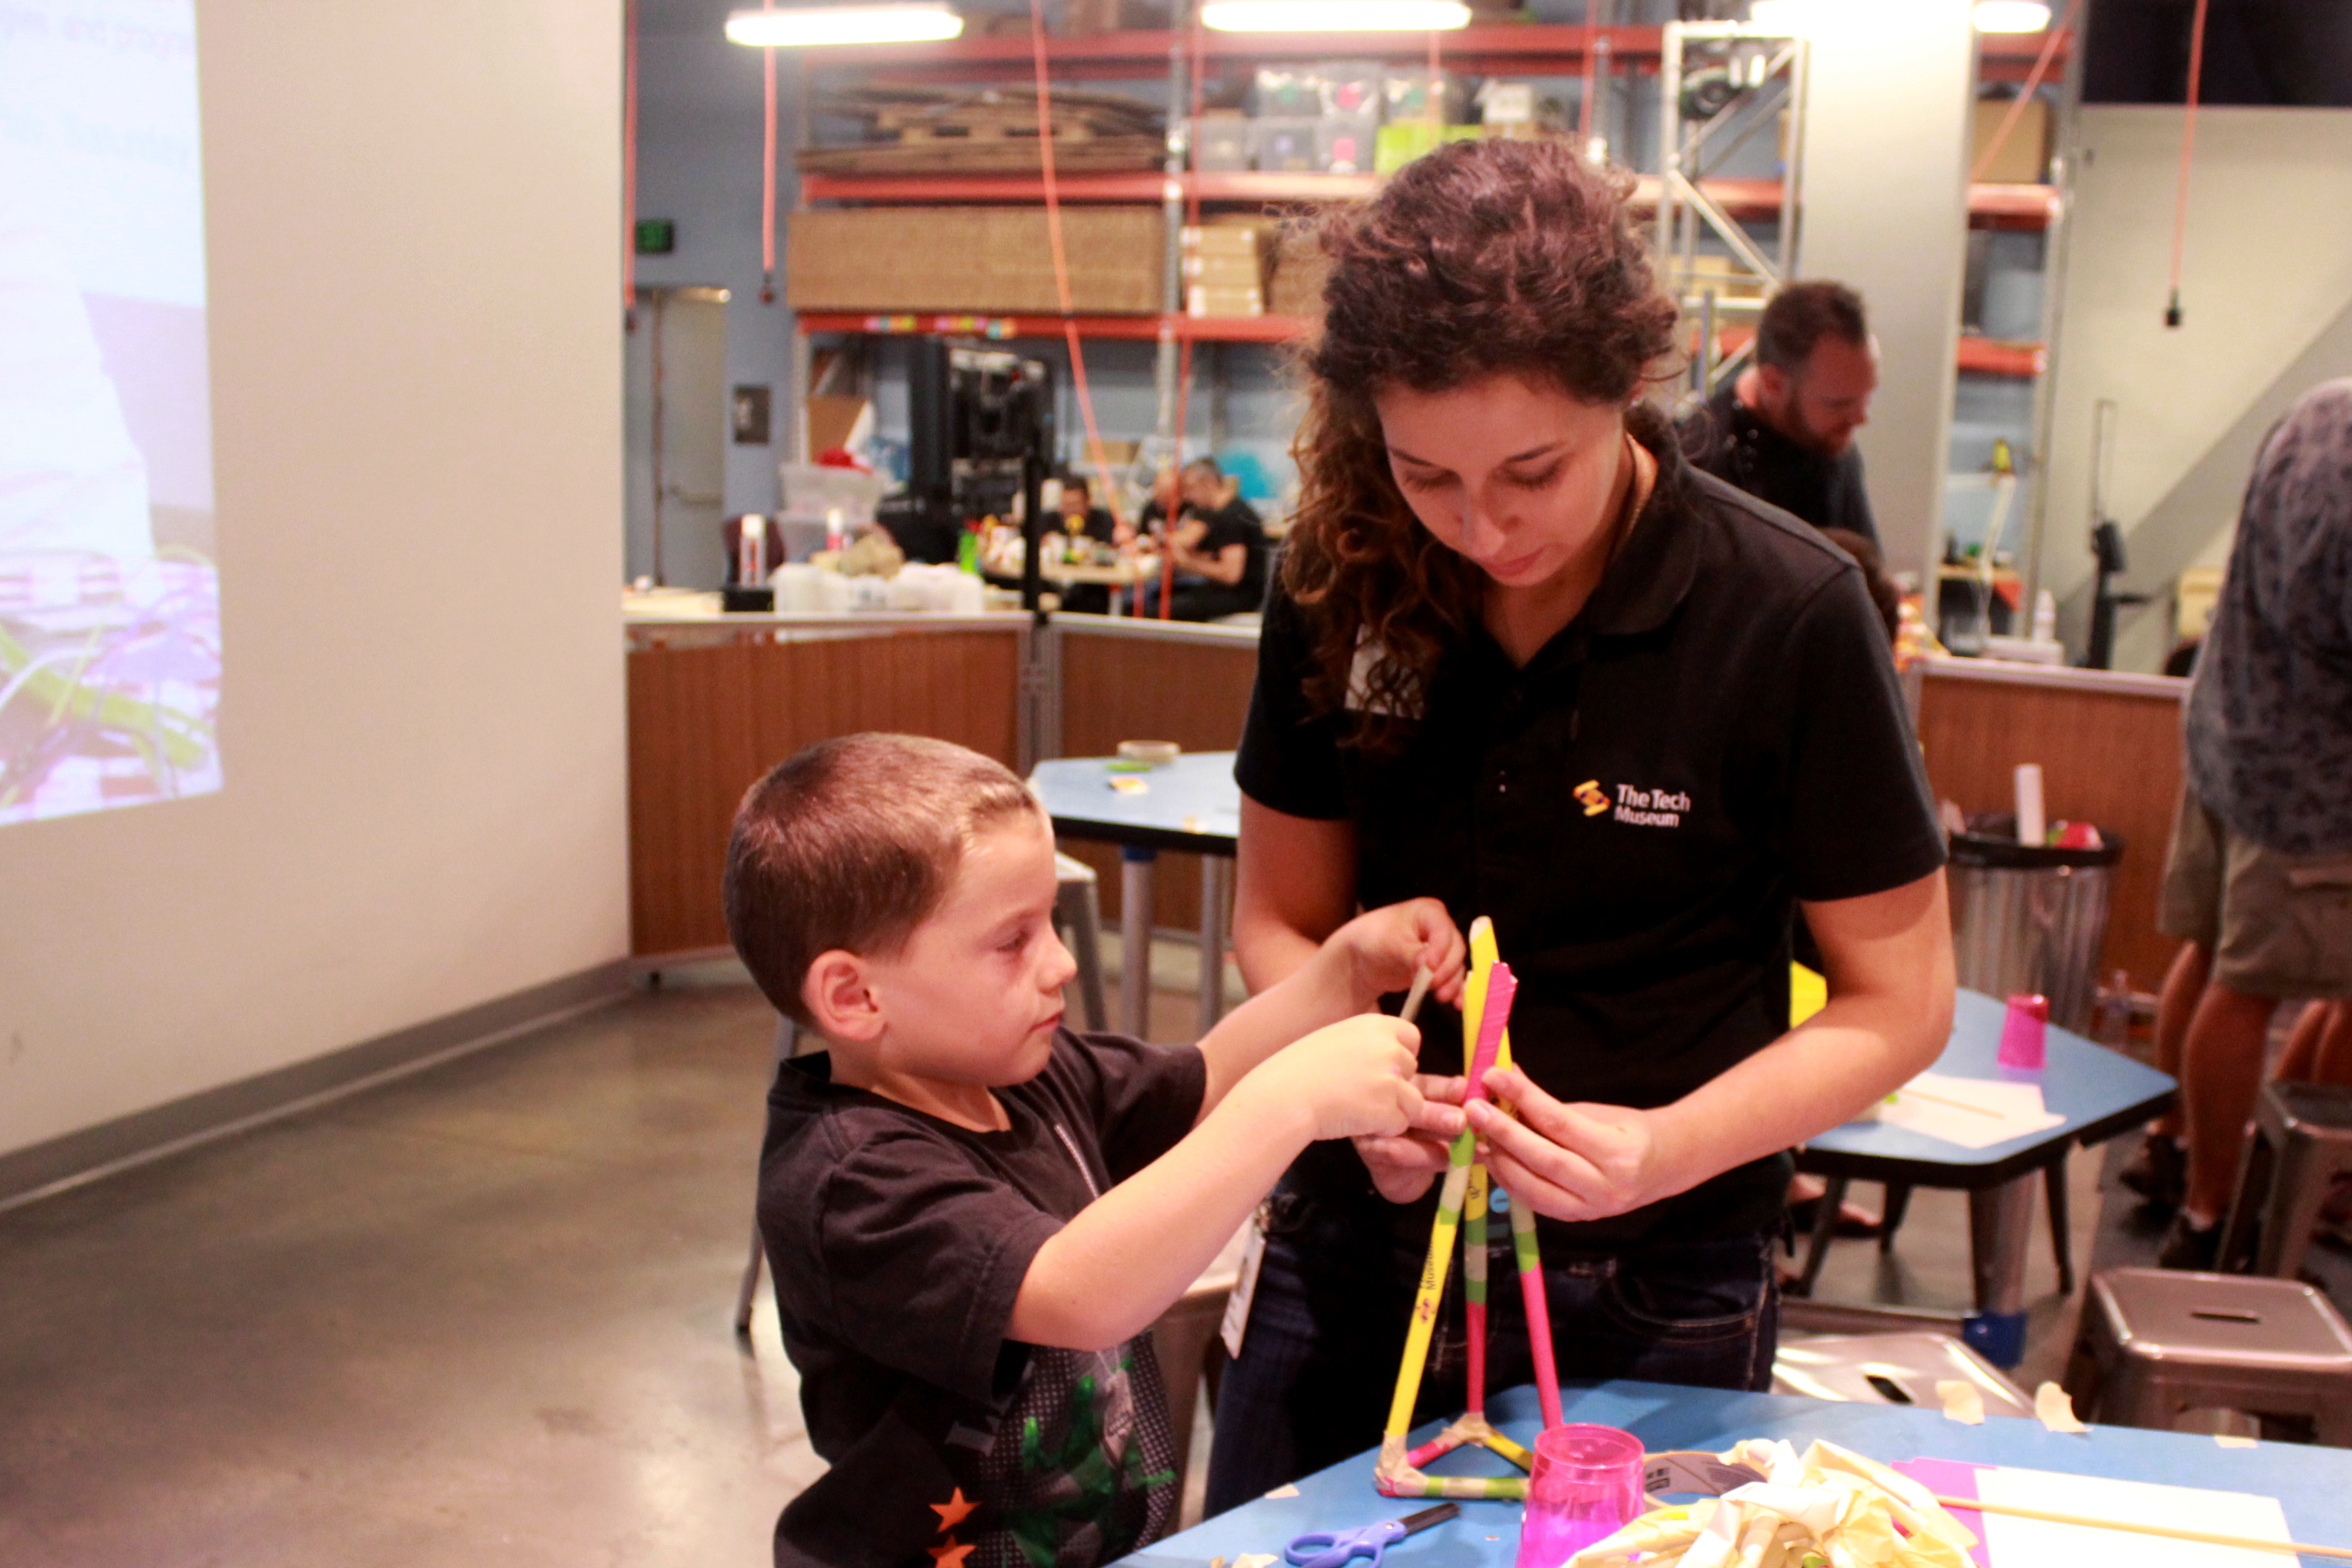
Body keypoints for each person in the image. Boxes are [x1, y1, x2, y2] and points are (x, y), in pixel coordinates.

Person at [1206, 138, 1954, 1511]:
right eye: (1424, 474)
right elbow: (1280, 917)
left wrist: (1662, 1149)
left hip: (1657, 1277)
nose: (1481, 527)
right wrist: (1343, 1076)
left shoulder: (1783, 613)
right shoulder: (1340, 576)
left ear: (1625, 391)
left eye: (1532, 472)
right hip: (1355, 1244)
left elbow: (1900, 1001)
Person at [725, 732, 1466, 1566]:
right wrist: (1290, 1102)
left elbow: (1210, 1076)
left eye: (1049, 923)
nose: (1063, 962)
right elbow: (1080, 1294)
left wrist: (1340, 972)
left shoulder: (1023, 1070)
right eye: (1013, 941)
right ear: (855, 995)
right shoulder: (848, 1178)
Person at [2120, 381, 2352, 1269]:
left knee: (2213, 957)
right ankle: (2235, 1208)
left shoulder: (2320, 407)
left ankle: (2172, 1143)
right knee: (2265, 988)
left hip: (2229, 734)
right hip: (2309, 788)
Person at [1677, 280, 1881, 548]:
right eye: (1838, 404)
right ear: (1773, 383)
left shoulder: (1829, 437)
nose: (1860, 418)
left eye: (1866, 397)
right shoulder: (1702, 462)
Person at [1132, 458, 1269, 621]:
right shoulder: (1217, 513)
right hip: (1221, 590)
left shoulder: (1233, 517)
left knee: (1156, 610)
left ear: (1209, 483)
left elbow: (1231, 574)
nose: (1188, 496)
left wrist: (1187, 562)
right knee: (1156, 596)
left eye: (1190, 488)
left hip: (1239, 597)